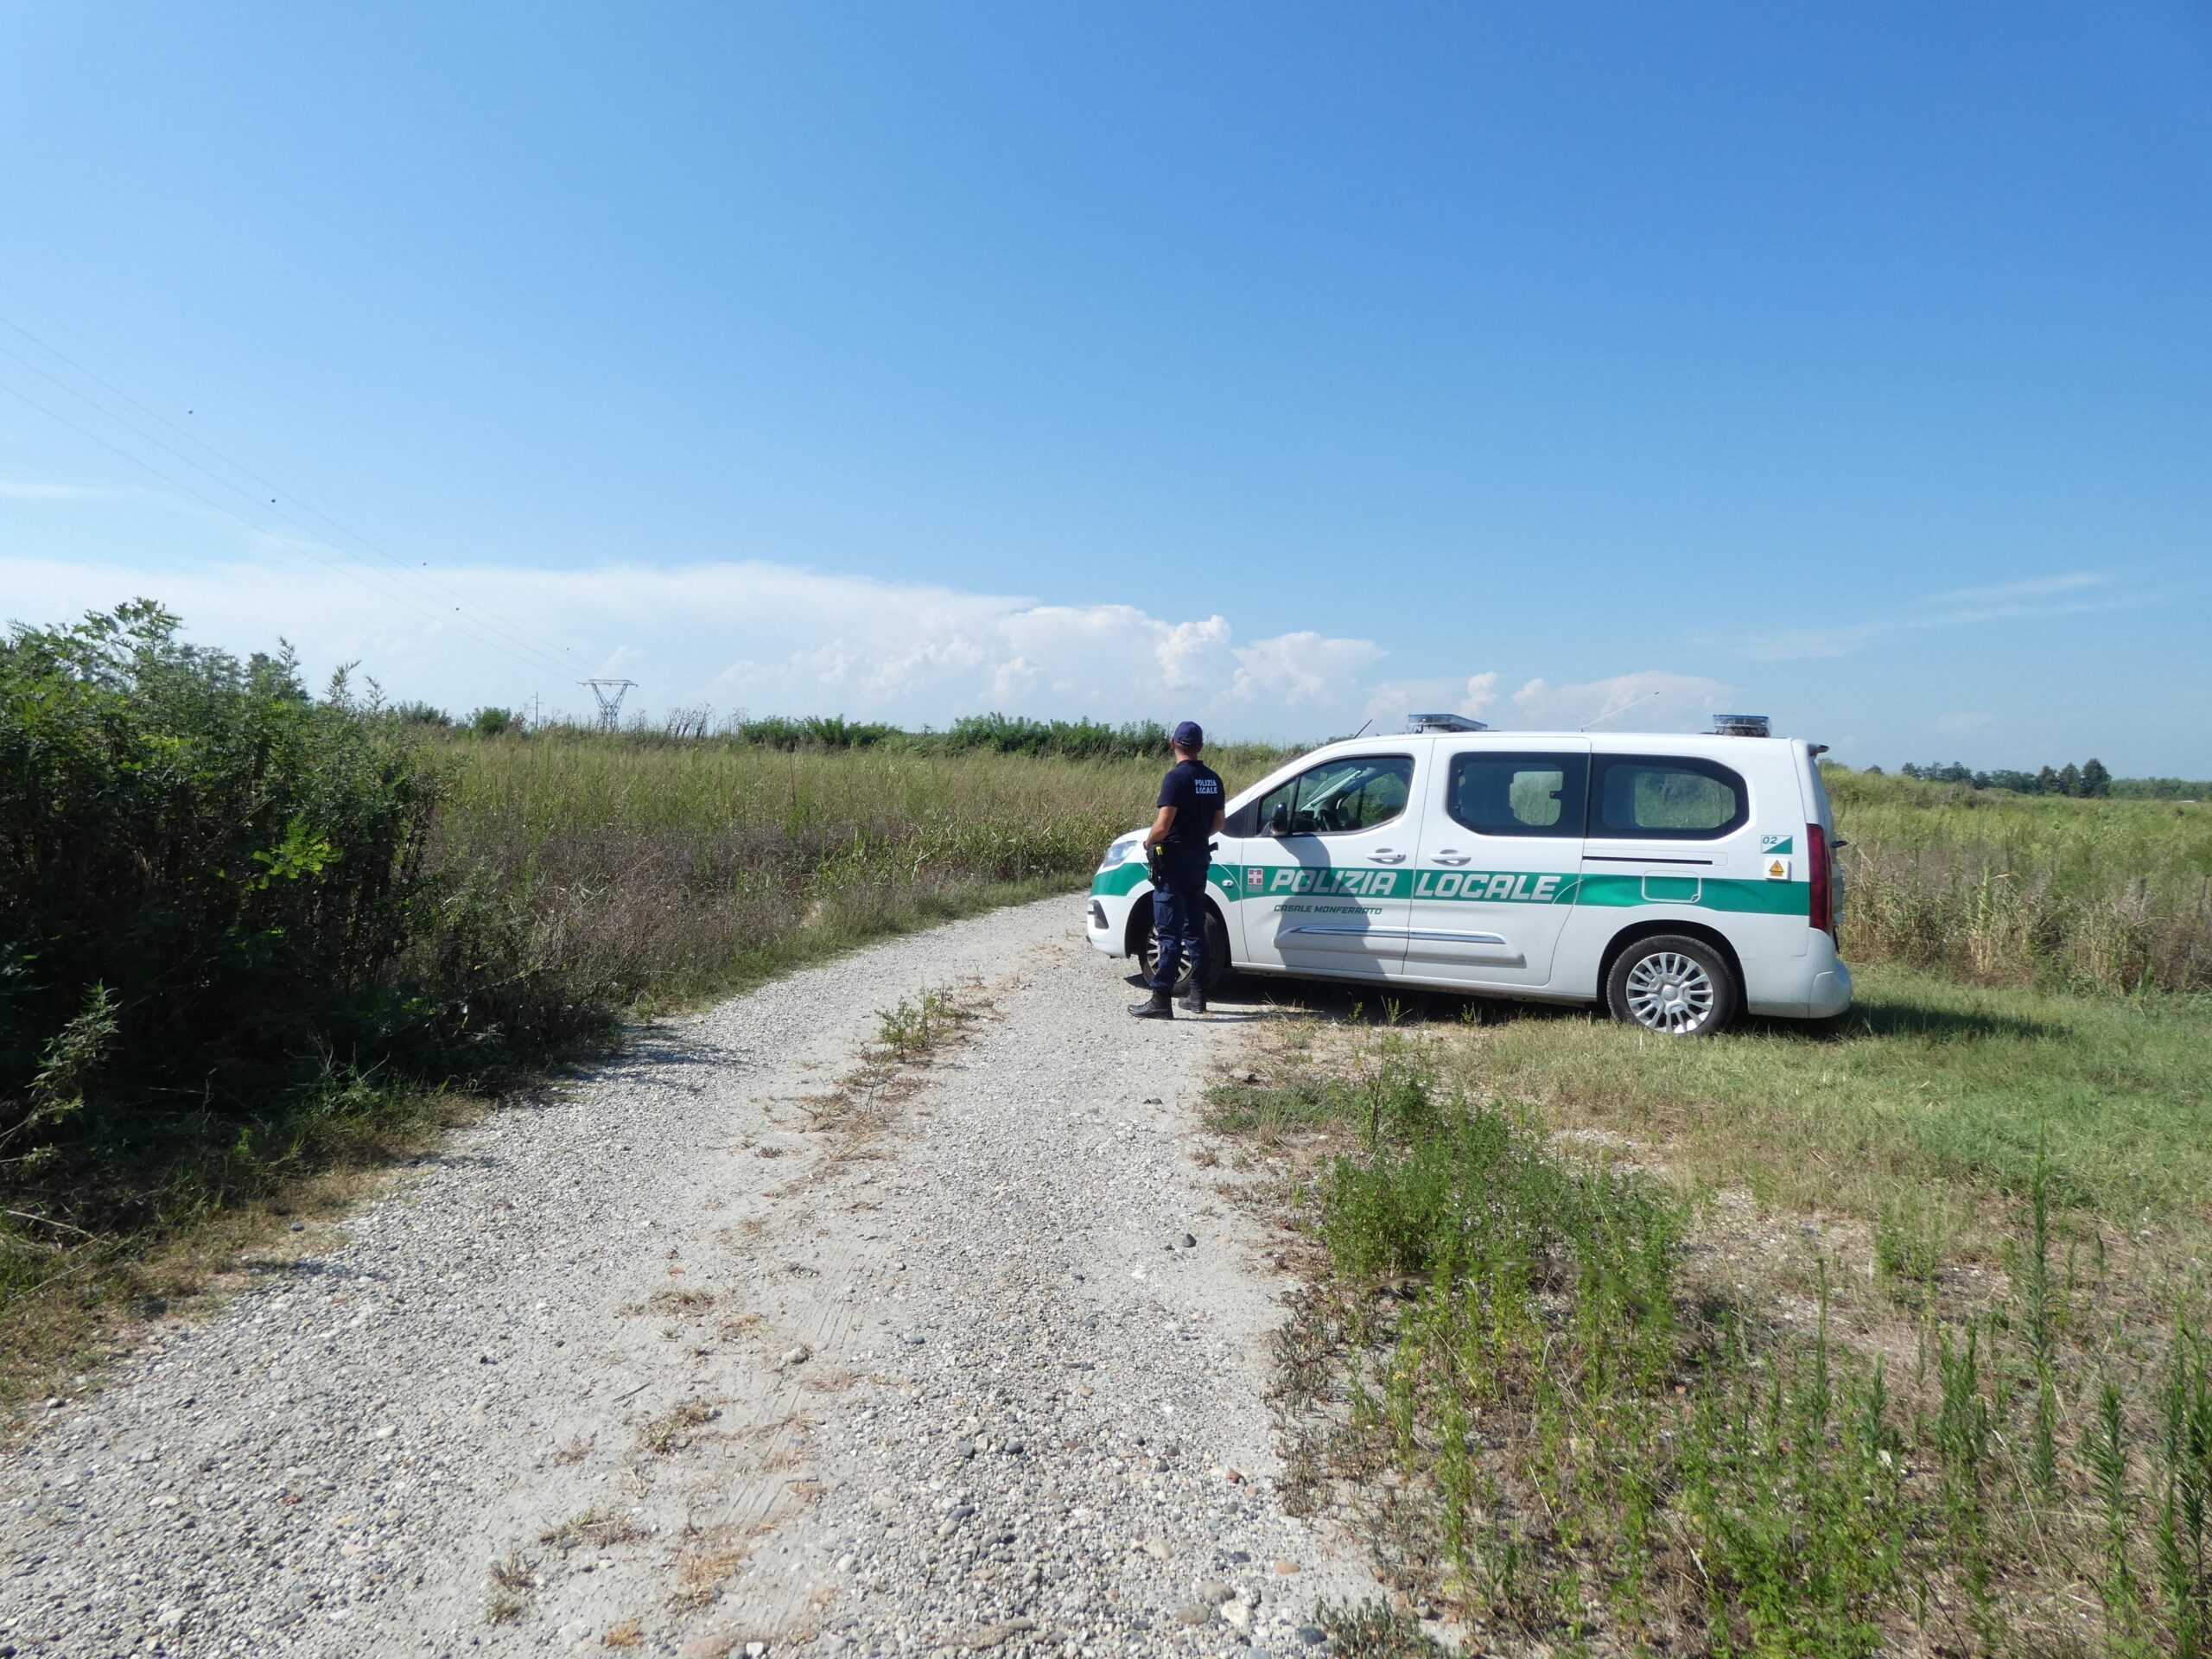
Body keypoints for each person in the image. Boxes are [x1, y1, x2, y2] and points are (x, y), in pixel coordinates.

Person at [1129, 721, 1225, 1020]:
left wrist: (1148, 842)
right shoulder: (1213, 779)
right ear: (1200, 746)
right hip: (1199, 860)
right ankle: (1198, 995)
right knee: (1195, 928)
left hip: (1173, 863)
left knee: (1168, 931)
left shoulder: (1175, 778)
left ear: (1173, 744)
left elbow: (1163, 825)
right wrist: (1196, 836)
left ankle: (1161, 999)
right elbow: (1219, 823)